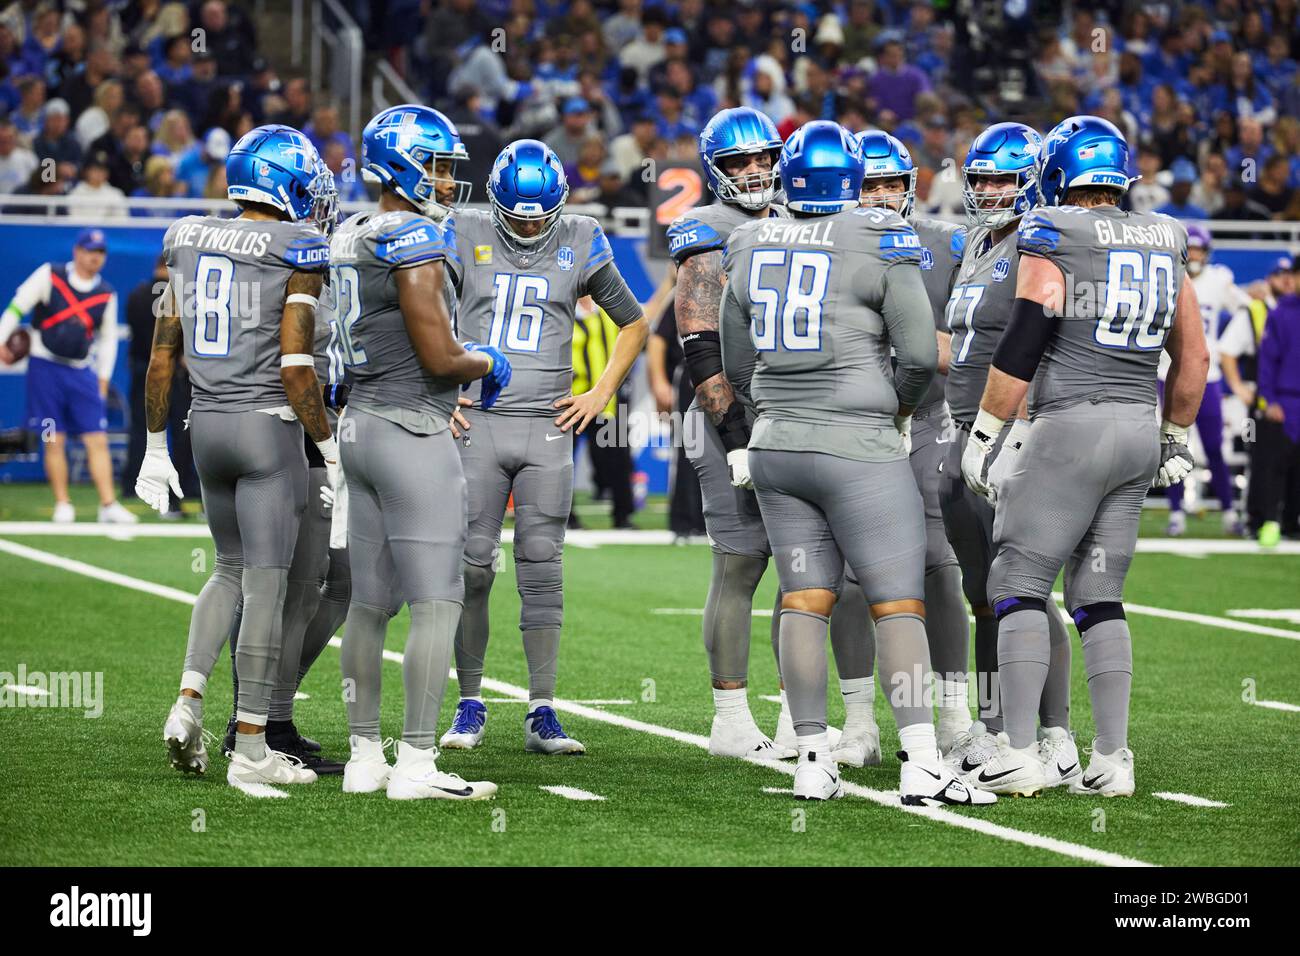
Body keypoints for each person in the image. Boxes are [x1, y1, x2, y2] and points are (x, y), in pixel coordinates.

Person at [720, 120, 991, 807]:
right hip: (858, 443)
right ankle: (924, 759)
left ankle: (813, 758)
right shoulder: (881, 236)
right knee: (899, 603)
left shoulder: (749, 239)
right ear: (850, 180)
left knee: (805, 601)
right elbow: (922, 357)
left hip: (778, 445)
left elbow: (734, 362)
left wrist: (775, 405)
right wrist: (896, 411)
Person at [961, 115, 1208, 797]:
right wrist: (1177, 434)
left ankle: (1016, 750)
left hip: (1070, 425)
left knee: (1015, 583)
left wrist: (985, 434)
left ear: (1058, 172)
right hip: (1136, 429)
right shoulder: (1166, 235)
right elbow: (1193, 353)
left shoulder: (1053, 230)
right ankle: (1112, 759)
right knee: (1099, 598)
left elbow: (1027, 334)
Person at [147, 125, 339, 794]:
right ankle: (253, 743)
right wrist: (333, 453)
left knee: (225, 571)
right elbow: (294, 367)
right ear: (285, 181)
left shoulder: (186, 236)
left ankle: (189, 699)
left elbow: (161, 355)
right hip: (267, 429)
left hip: (205, 428)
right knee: (265, 581)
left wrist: (151, 446)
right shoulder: (300, 243)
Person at [439, 138, 647, 756]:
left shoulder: (580, 235)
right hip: (478, 421)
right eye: (519, 213)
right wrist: (442, 392)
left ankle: (542, 709)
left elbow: (633, 320)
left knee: (542, 567)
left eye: (539, 213)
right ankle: (470, 702)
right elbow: (425, 311)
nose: (530, 224)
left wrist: (601, 392)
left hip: (548, 427)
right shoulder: (464, 227)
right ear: (497, 202)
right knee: (472, 568)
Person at [333, 105, 508, 800]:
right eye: (434, 165)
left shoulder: (350, 233)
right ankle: (415, 763)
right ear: (400, 163)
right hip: (412, 430)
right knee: (439, 600)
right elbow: (439, 355)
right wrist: (485, 362)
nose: (443, 179)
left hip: (360, 426)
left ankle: (363, 757)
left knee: (370, 605)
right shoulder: (412, 237)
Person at [938, 122, 1077, 785]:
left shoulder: (1038, 244)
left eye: (1003, 179)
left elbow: (1043, 345)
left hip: (1010, 438)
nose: (991, 190)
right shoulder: (975, 244)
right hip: (961, 432)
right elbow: (958, 347)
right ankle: (994, 728)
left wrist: (1018, 432)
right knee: (985, 597)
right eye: (982, 178)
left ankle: (1055, 736)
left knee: (1024, 591)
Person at [665, 107, 797, 760]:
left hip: (790, 414)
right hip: (729, 420)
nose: (753, 171)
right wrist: (737, 435)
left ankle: (801, 715)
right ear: (716, 171)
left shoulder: (798, 222)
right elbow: (700, 349)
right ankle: (732, 720)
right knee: (741, 562)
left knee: (804, 566)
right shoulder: (706, 231)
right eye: (738, 162)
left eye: (761, 158)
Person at [856, 130, 974, 760]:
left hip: (928, 418)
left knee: (937, 564)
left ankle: (953, 713)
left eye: (890, 185)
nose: (879, 197)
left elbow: (968, 344)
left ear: (910, 188)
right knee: (846, 577)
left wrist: (920, 347)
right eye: (867, 185)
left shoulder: (944, 245)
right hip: (851, 424)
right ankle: (855, 722)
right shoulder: (824, 244)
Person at [0, 228, 135, 524]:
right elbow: (16, 306)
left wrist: (102, 378)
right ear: (77, 251)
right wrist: (2, 338)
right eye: (89, 251)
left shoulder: (106, 294)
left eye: (100, 253)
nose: (94, 258)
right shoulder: (50, 275)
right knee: (53, 438)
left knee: (96, 437)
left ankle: (108, 504)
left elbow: (109, 339)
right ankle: (63, 503)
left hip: (81, 371)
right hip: (45, 369)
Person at [1162, 224, 1251, 536]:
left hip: (1208, 374)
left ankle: (1228, 512)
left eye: (1200, 249)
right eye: (1192, 248)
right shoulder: (1167, 275)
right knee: (1170, 446)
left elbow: (1248, 309)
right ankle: (1176, 513)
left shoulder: (1219, 280)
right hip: (1167, 371)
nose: (1195, 255)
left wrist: (1226, 345)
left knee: (1214, 446)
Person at [1220, 258, 1299, 537]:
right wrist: (1239, 386)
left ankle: (1286, 519)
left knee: (1287, 463)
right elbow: (1226, 351)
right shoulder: (1255, 310)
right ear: (1270, 279)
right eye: (1280, 275)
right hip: (1257, 405)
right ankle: (1253, 518)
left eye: (1290, 274)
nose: (1286, 280)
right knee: (1258, 457)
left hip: (1283, 399)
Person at [122, 253, 195, 515]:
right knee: (181, 433)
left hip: (142, 369)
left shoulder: (136, 295)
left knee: (141, 430)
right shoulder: (181, 294)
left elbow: (134, 332)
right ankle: (181, 489)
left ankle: (133, 483)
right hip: (173, 373)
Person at [1254, 260, 1300, 548]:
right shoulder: (1281, 312)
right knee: (1276, 464)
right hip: (1286, 398)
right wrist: (1269, 399)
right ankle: (1270, 521)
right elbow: (1267, 360)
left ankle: (1292, 521)